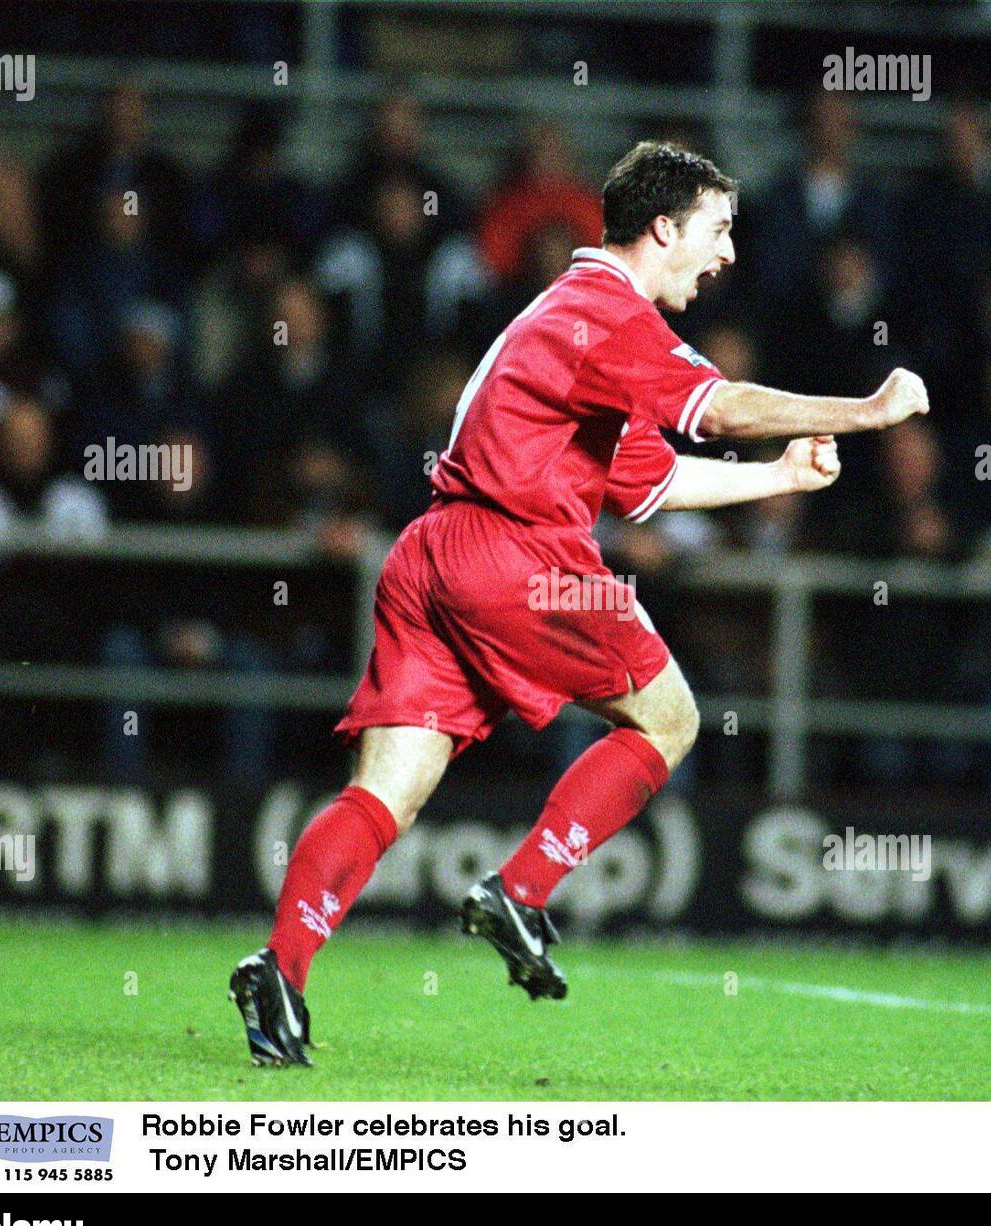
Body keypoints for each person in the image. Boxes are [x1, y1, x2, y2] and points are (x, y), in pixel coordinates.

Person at [229, 141, 928, 1067]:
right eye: (718, 232)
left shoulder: (570, 318)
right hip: (516, 556)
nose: (727, 255)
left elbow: (643, 485)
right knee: (670, 718)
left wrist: (779, 478)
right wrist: (861, 412)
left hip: (433, 553)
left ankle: (282, 967)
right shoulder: (607, 312)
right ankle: (520, 890)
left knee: (383, 793)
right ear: (664, 227)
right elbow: (714, 407)